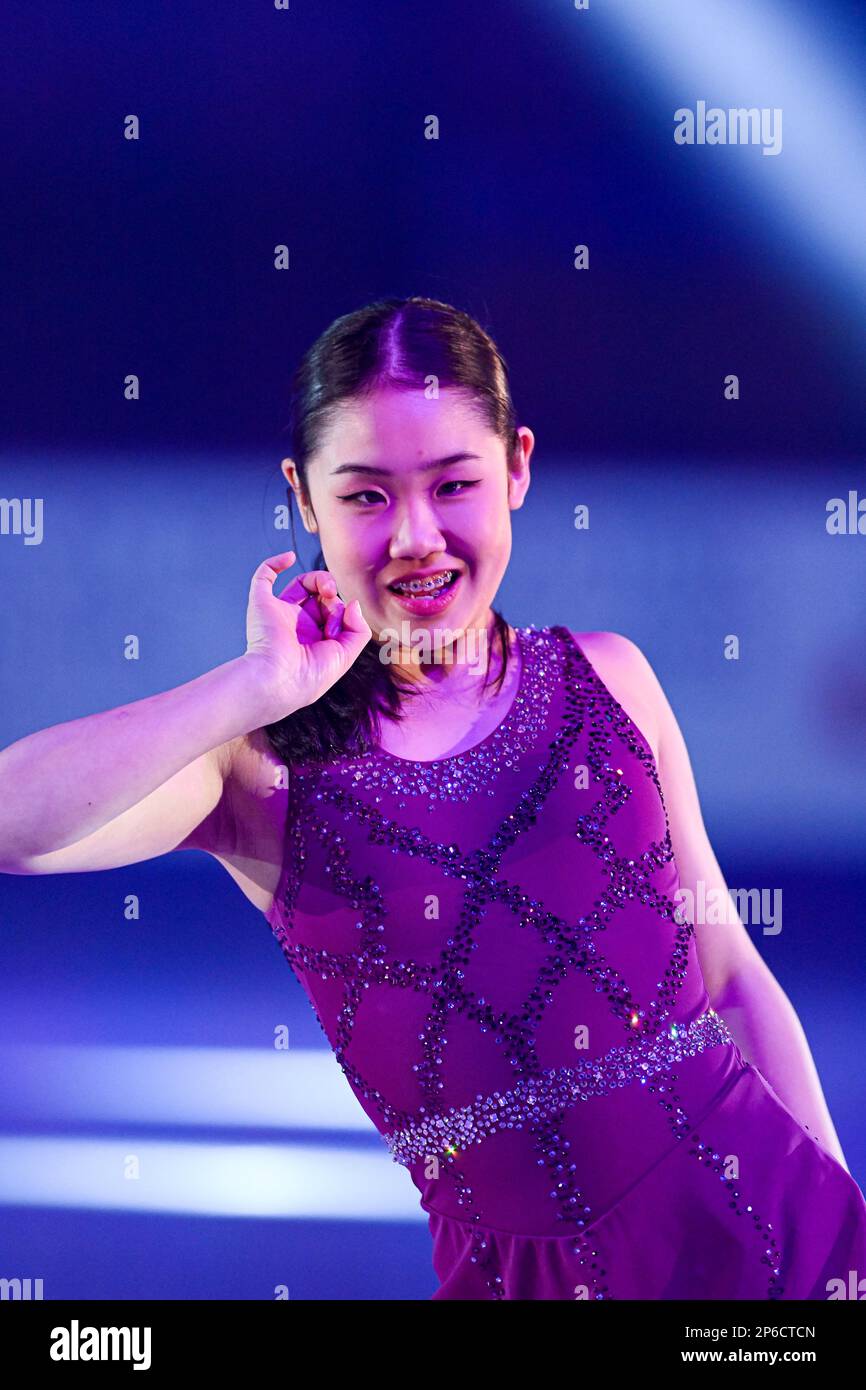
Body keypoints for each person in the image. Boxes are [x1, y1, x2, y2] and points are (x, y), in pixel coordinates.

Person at [2, 296, 865, 1300]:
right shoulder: (258, 766)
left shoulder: (612, 682)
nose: (417, 536)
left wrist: (838, 1226)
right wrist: (248, 689)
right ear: (303, 497)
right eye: (365, 497)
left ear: (516, 469)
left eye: (452, 484)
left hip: (764, 1228)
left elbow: (730, 983)